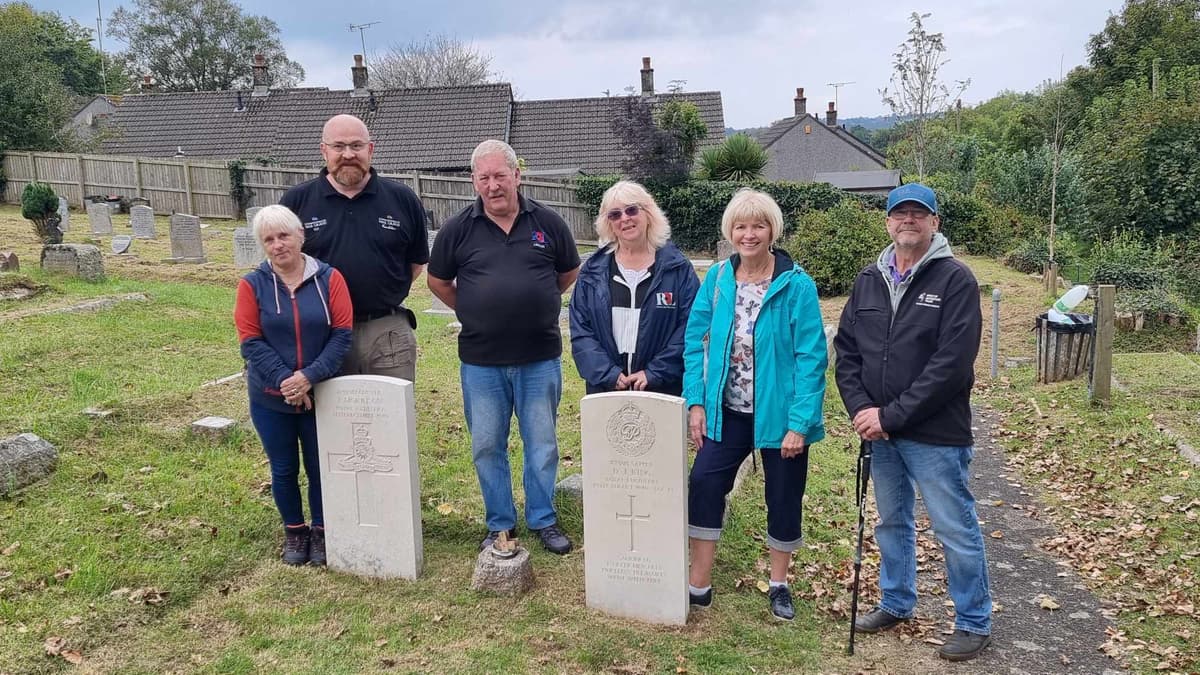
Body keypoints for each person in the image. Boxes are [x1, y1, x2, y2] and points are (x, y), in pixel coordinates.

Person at [834, 183, 991, 662]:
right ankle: (896, 602)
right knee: (892, 523)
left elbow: (952, 365)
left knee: (954, 527)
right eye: (900, 213)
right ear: (888, 222)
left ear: (934, 223)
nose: (909, 220)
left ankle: (974, 621)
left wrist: (890, 416)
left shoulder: (955, 280)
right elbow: (846, 352)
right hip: (879, 434)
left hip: (935, 434)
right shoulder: (869, 278)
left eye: (918, 214)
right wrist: (862, 411)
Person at [427, 139, 581, 554]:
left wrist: (535, 299)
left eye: (500, 175)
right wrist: (473, 308)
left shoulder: (548, 222)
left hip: (539, 357)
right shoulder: (457, 228)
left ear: (517, 175)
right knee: (486, 445)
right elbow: (437, 281)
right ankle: (500, 523)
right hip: (482, 362)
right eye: (484, 178)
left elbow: (568, 273)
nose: (493, 185)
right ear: (474, 182)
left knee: (542, 444)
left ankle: (543, 518)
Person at [682, 188, 827, 621]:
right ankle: (699, 582)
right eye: (741, 226)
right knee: (704, 483)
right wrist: (696, 402)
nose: (749, 234)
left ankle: (779, 583)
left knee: (783, 496)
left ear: (772, 231)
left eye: (758, 226)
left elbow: (811, 357)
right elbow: (694, 341)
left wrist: (800, 423)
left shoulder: (796, 285)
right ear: (730, 231)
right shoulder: (717, 280)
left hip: (780, 416)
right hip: (726, 411)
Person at [234, 205, 354, 566]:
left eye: (283, 236)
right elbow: (250, 341)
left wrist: (308, 378)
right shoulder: (252, 285)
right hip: (271, 397)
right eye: (268, 239)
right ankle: (295, 531)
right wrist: (288, 382)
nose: (277, 245)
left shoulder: (330, 279)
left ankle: (321, 531)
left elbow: (342, 335)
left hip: (321, 393)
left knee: (320, 467)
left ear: (301, 235)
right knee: (284, 468)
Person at [279, 114, 428, 382]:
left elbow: (416, 263)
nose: (348, 154)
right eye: (338, 146)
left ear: (370, 149)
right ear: (323, 150)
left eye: (356, 146)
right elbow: (281, 265)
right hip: (322, 332)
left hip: (387, 331)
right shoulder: (296, 201)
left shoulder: (402, 199)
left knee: (394, 408)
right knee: (329, 410)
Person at [570, 180, 699, 396]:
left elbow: (691, 328)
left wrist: (654, 373)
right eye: (615, 214)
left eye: (631, 210)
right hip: (606, 391)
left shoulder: (677, 269)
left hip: (662, 391)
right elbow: (581, 331)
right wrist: (608, 374)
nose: (625, 218)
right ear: (608, 223)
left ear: (648, 213)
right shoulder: (592, 273)